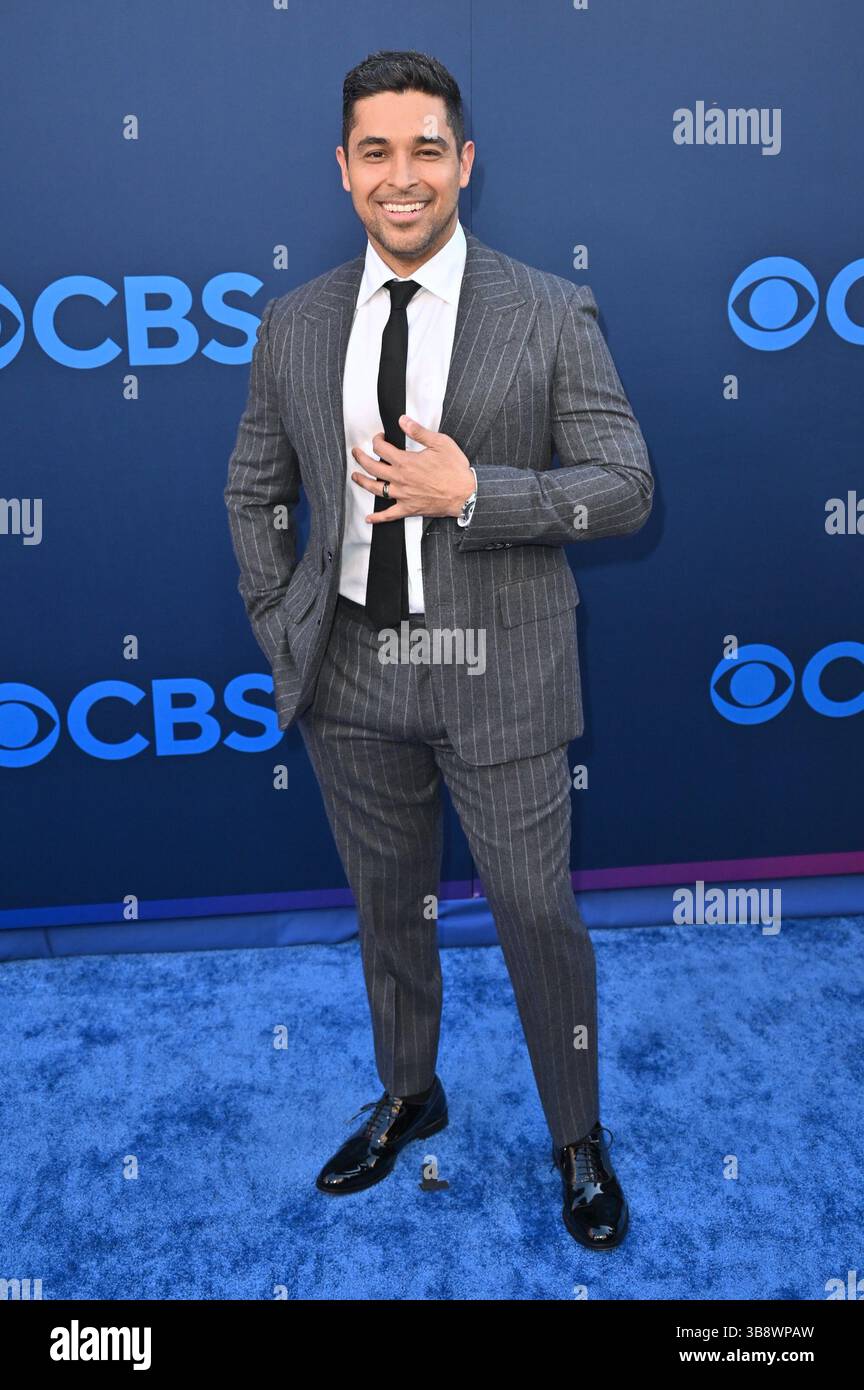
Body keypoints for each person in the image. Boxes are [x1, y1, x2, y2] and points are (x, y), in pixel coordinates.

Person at [224, 49, 653, 1250]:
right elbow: (255, 491)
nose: (400, 177)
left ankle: (576, 1135)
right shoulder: (296, 321)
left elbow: (625, 488)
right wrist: (283, 625)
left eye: (425, 149)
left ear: (463, 163)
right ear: (345, 169)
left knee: (534, 911)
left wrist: (479, 491)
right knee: (388, 908)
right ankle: (412, 1093)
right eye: (376, 152)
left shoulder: (550, 309)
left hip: (500, 668)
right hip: (352, 671)